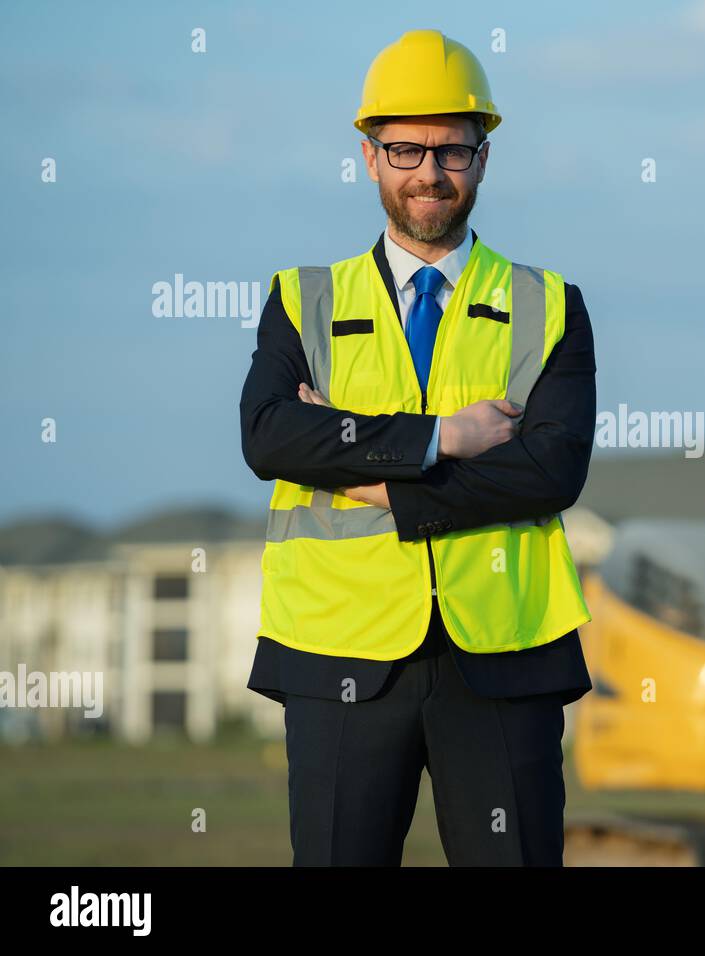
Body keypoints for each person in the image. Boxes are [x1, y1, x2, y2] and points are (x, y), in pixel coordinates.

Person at [238, 28, 596, 866]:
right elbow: (270, 435)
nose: (429, 172)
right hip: (340, 660)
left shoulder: (551, 304)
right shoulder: (303, 300)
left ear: (483, 156)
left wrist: (384, 486)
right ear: (368, 157)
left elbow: (550, 469)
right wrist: (445, 437)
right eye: (405, 149)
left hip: (505, 660)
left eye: (452, 150)